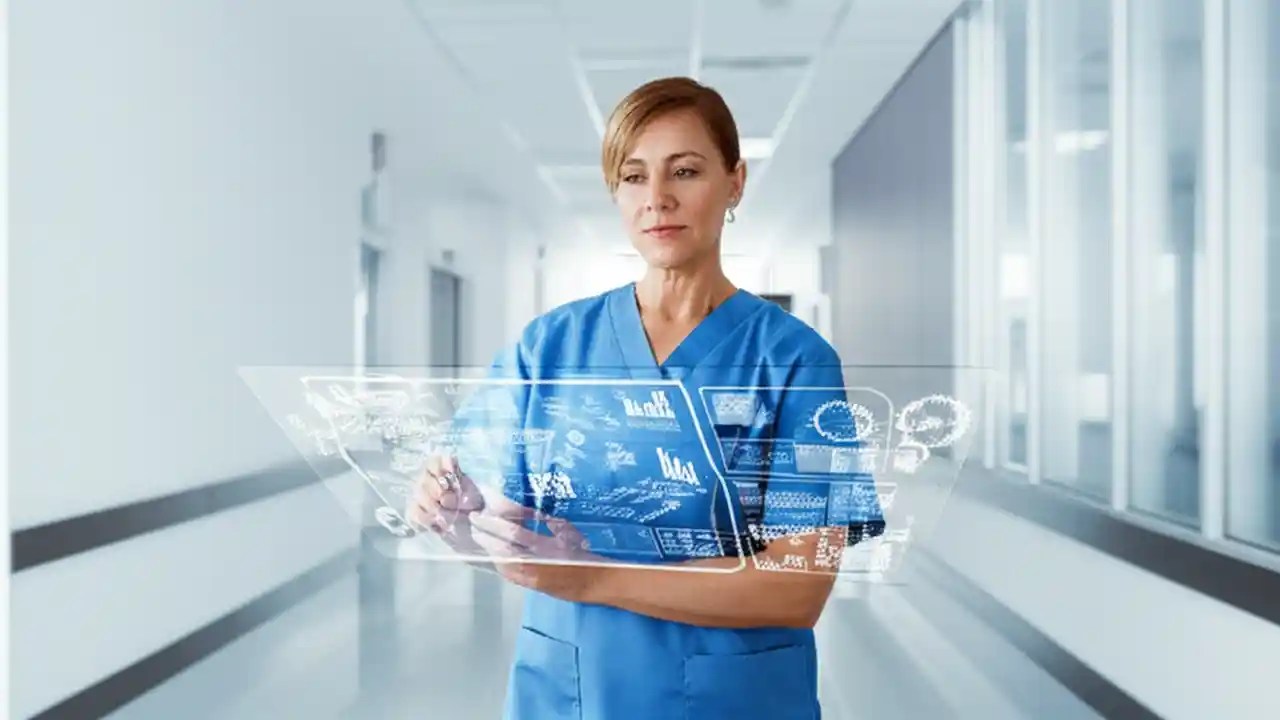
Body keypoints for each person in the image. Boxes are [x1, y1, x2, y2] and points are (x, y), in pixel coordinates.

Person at [408, 76, 883, 720]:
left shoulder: (795, 362)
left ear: (734, 182)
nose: (657, 198)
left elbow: (801, 584)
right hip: (570, 688)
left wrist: (593, 579)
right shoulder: (550, 348)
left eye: (684, 171)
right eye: (633, 177)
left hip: (733, 698)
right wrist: (455, 512)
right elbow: (505, 534)